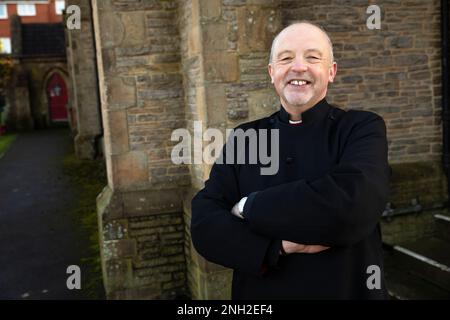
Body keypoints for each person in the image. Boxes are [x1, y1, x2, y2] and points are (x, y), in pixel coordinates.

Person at [190, 21, 390, 299]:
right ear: (272, 73)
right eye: (285, 58)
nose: (298, 67)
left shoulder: (361, 128)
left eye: (312, 57)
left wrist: (249, 206)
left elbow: (351, 206)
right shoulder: (246, 138)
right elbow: (204, 227)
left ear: (331, 71)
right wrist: (278, 247)